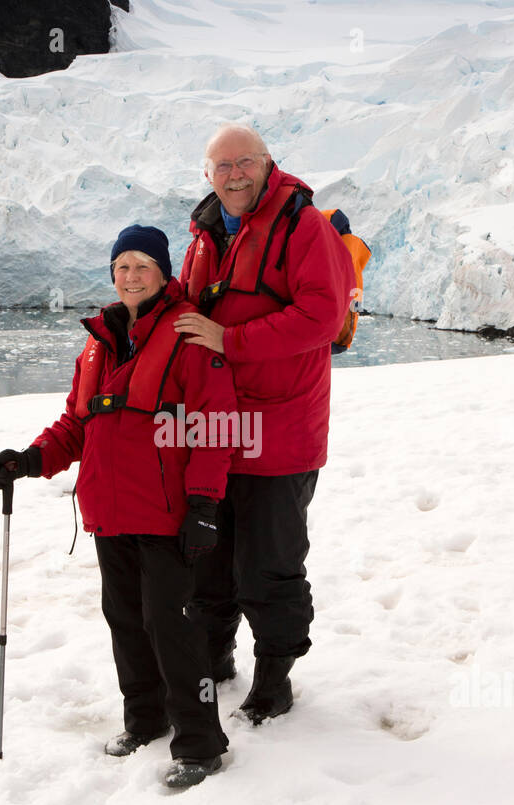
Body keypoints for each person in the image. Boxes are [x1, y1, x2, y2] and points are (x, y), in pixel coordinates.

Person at [0, 224, 234, 789]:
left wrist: (204, 505)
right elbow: (77, 423)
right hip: (109, 511)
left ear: (165, 272)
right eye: (122, 266)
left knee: (170, 625)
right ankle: (144, 719)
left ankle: (200, 741)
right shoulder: (98, 342)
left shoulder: (189, 334)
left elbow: (215, 427)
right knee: (125, 620)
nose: (130, 276)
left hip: (167, 510)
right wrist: (29, 460)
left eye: (143, 265)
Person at [173, 124, 356, 724]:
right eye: (222, 165)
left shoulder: (303, 225)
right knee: (209, 556)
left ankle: (275, 677)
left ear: (267, 163)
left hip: (281, 432)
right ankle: (216, 656)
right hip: (216, 431)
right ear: (208, 174)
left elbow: (321, 317)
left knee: (269, 565)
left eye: (244, 162)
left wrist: (232, 339)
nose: (234, 175)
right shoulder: (205, 232)